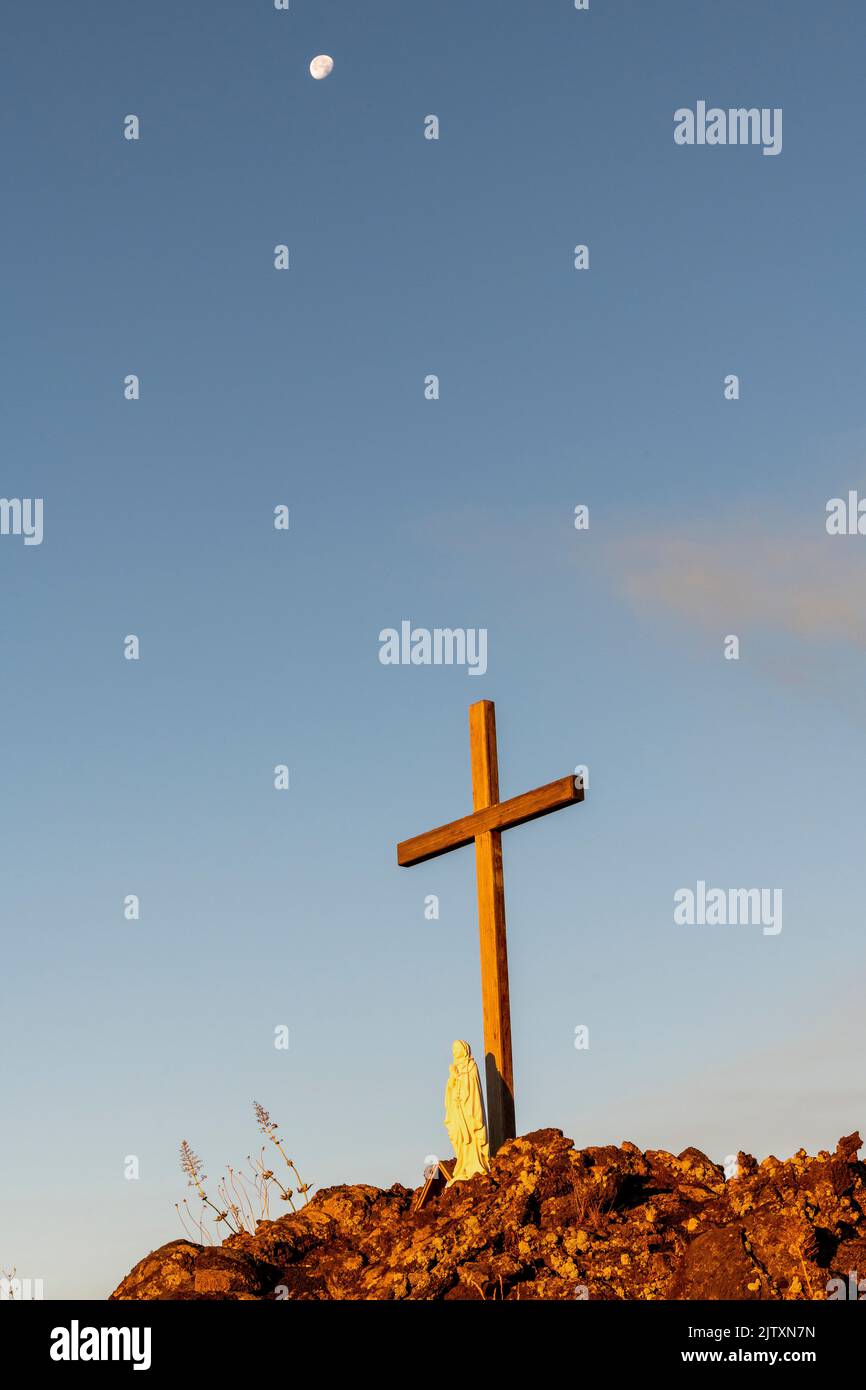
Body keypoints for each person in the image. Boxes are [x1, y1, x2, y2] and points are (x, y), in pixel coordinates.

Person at [444, 1040, 490, 1183]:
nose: (455, 1051)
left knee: (471, 1135)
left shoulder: (471, 1066)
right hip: (458, 1109)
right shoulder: (454, 1068)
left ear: (464, 1049)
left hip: (469, 1107)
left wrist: (459, 1077)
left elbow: (472, 1086)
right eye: (453, 1048)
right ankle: (463, 1166)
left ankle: (475, 1164)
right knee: (459, 1137)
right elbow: (449, 1091)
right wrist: (452, 1077)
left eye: (457, 1048)